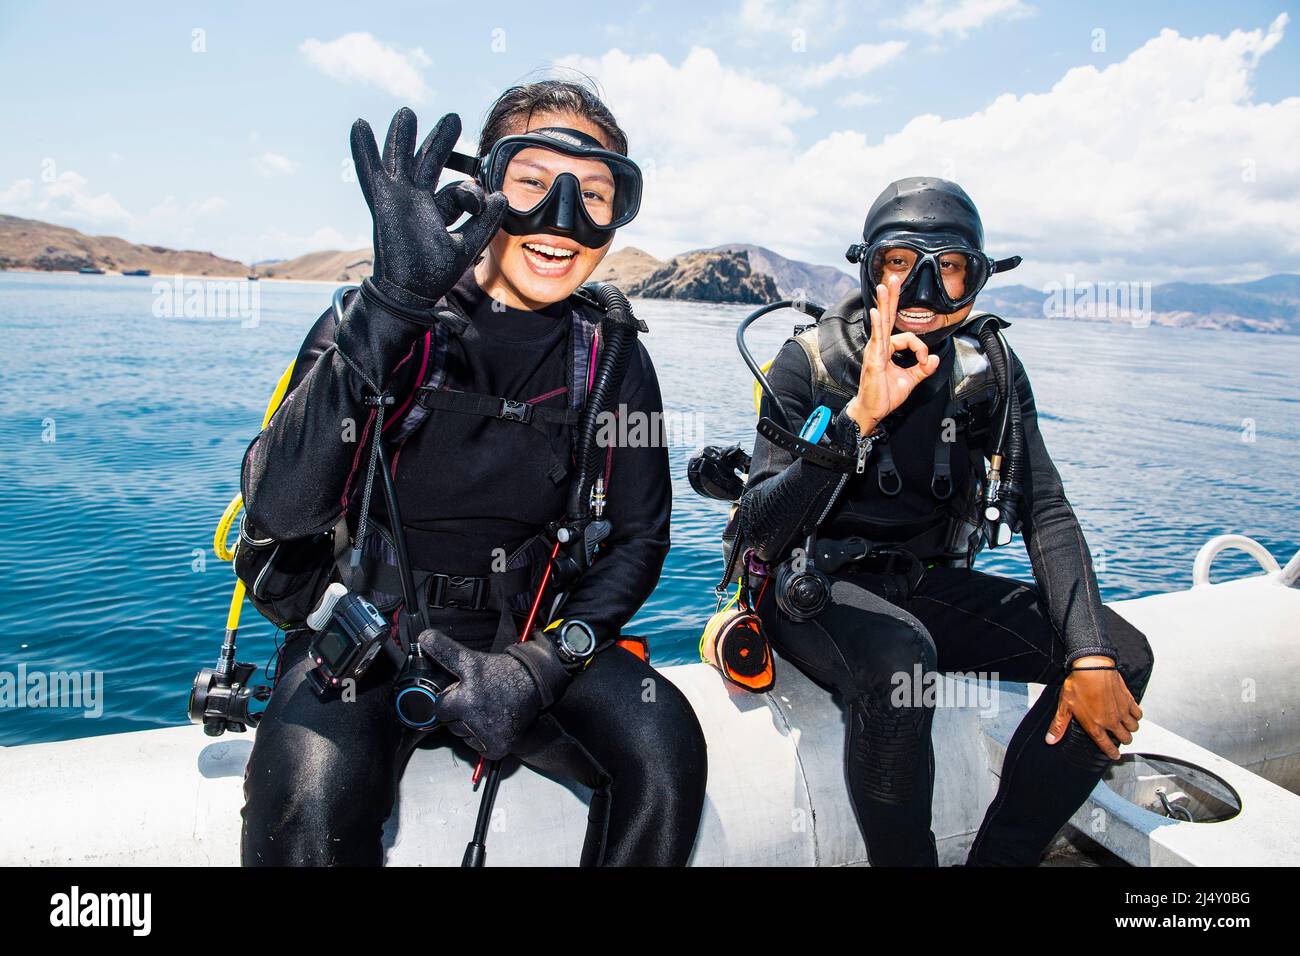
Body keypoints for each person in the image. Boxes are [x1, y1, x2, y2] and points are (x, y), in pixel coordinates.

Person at [238, 80, 707, 866]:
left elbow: (639, 538)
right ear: (483, 188)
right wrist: (391, 306)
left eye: (596, 193)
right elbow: (280, 510)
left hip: (528, 640)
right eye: (532, 182)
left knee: (665, 746)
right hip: (365, 644)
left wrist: (543, 665)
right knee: (307, 807)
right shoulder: (383, 319)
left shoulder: (614, 357)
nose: (563, 218)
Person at [737, 177, 1154, 866]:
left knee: (1121, 652)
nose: (923, 291)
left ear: (976, 280)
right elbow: (758, 529)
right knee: (902, 658)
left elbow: (1044, 507)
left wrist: (1088, 654)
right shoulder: (809, 362)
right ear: (869, 268)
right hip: (810, 589)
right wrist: (855, 421)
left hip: (924, 587)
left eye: (950, 268)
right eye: (900, 263)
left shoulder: (987, 372)